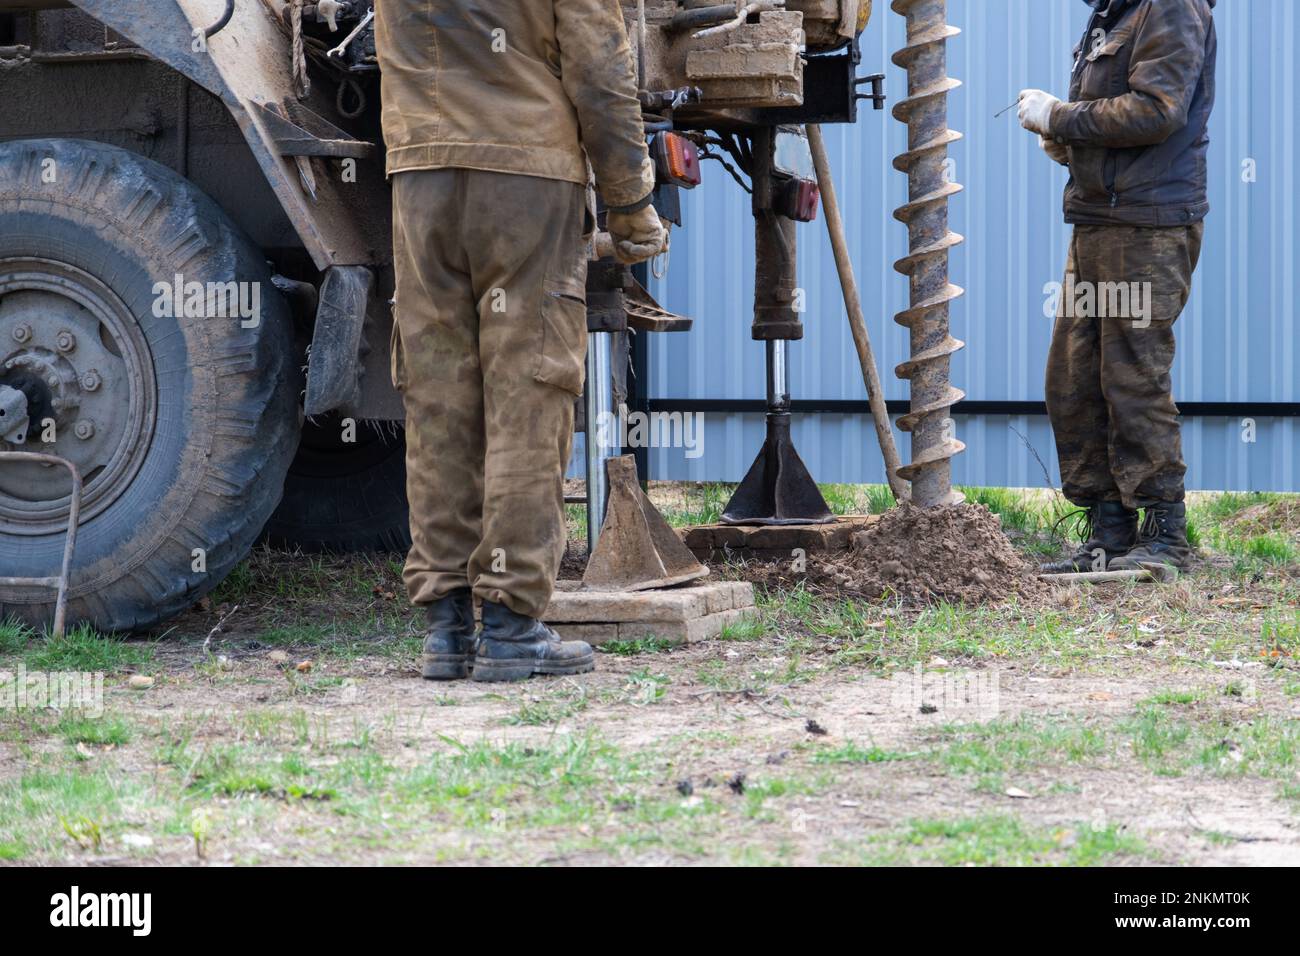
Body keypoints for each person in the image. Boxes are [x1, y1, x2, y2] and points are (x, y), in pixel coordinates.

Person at [375, 0, 663, 681]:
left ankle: (446, 628)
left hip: (419, 177)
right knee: (528, 394)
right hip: (527, 174)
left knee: (438, 397)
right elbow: (600, 67)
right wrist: (629, 202)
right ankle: (508, 626)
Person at [1018, 0, 1217, 574]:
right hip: (1098, 221)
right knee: (1075, 375)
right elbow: (1114, 117)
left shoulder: (1172, 6)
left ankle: (1164, 534)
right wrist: (1070, 142)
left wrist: (1062, 118)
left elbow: (1157, 110)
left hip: (1147, 224)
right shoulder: (1114, 13)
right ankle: (1109, 533)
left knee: (1131, 374)